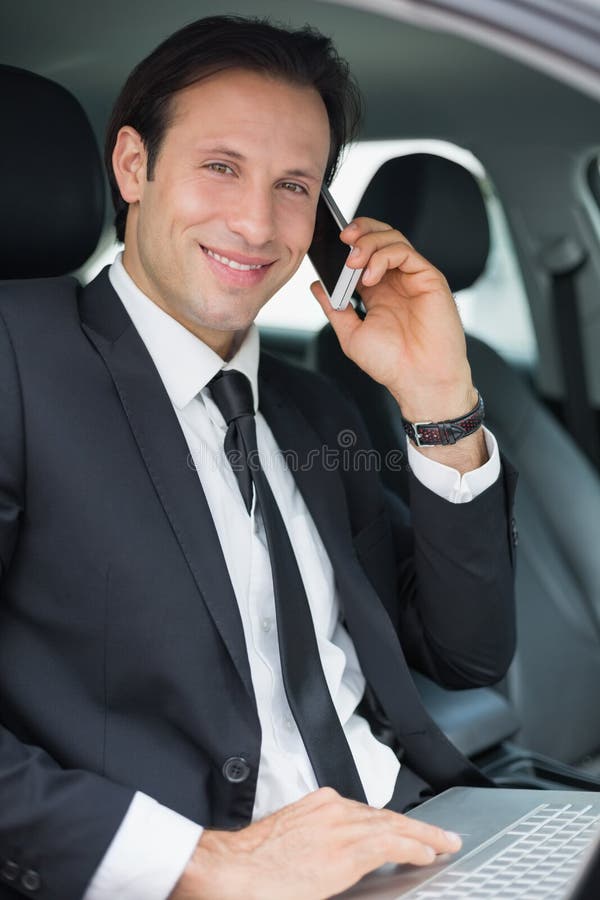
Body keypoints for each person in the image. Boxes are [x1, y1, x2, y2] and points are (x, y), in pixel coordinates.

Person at [0, 15, 517, 900]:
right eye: (220, 166)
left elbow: (468, 655)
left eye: (293, 185)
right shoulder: (17, 358)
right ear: (133, 165)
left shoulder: (312, 408)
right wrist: (203, 867)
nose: (254, 221)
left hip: (420, 834)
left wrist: (439, 402)